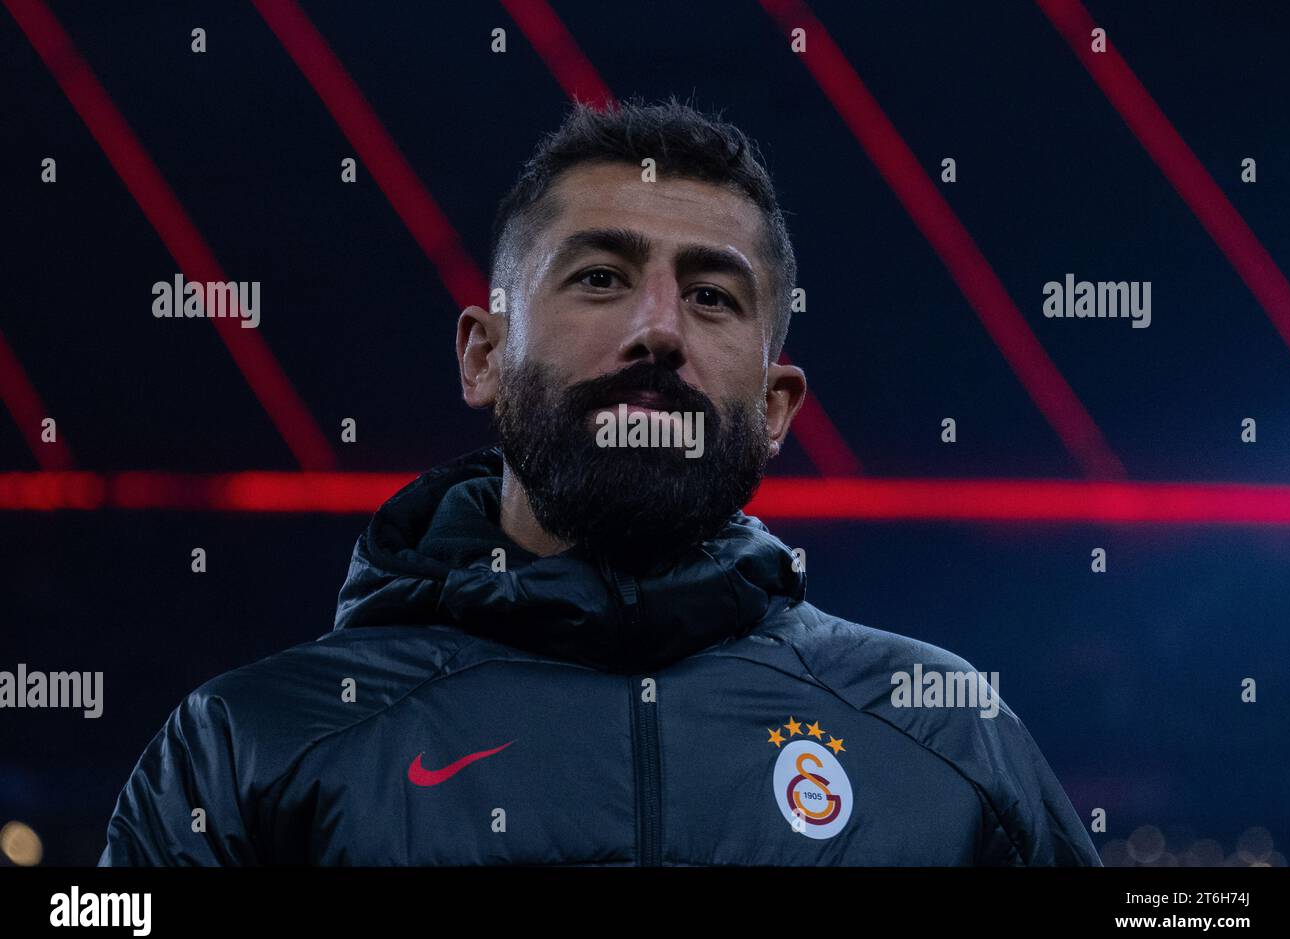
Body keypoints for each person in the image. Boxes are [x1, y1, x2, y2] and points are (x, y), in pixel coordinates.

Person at [98, 95, 1100, 866]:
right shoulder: (247, 743)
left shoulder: (949, 733)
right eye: (599, 278)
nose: (657, 328)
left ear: (777, 405)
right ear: (482, 354)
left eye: (711, 295)